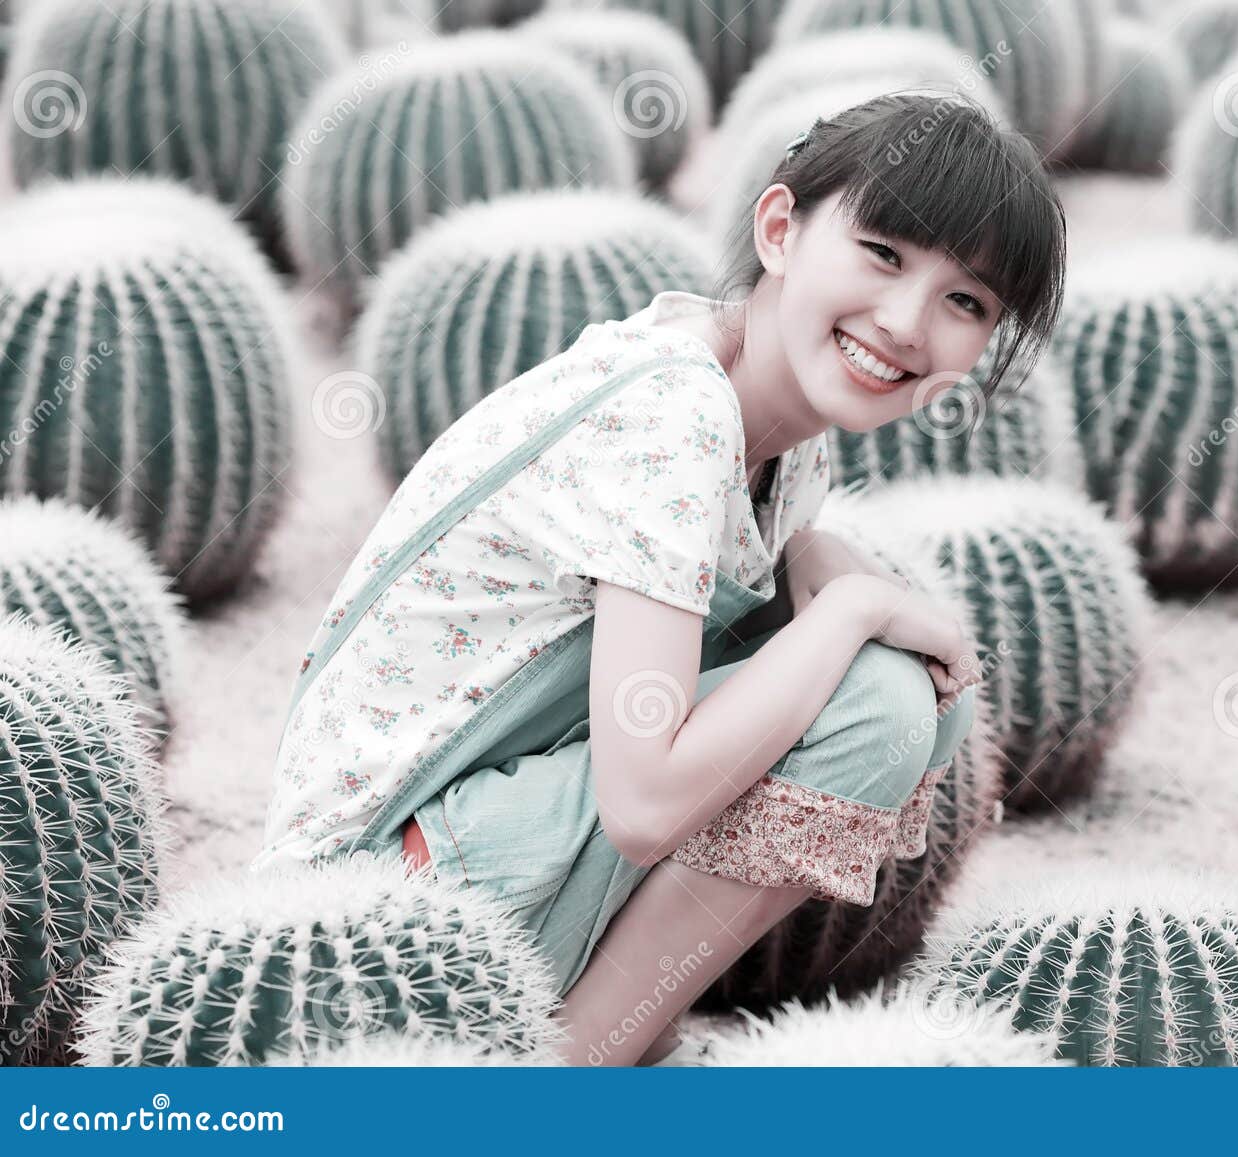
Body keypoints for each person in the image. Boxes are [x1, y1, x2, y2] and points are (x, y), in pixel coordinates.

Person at [253, 89, 1068, 1066]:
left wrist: (809, 558)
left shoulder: (775, 429)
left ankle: (613, 1034)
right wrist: (851, 606)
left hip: (454, 865)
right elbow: (643, 806)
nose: (904, 322)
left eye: (965, 301)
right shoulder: (674, 411)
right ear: (779, 229)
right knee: (878, 701)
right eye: (883, 254)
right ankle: (575, 1065)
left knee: (920, 697)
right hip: (372, 930)